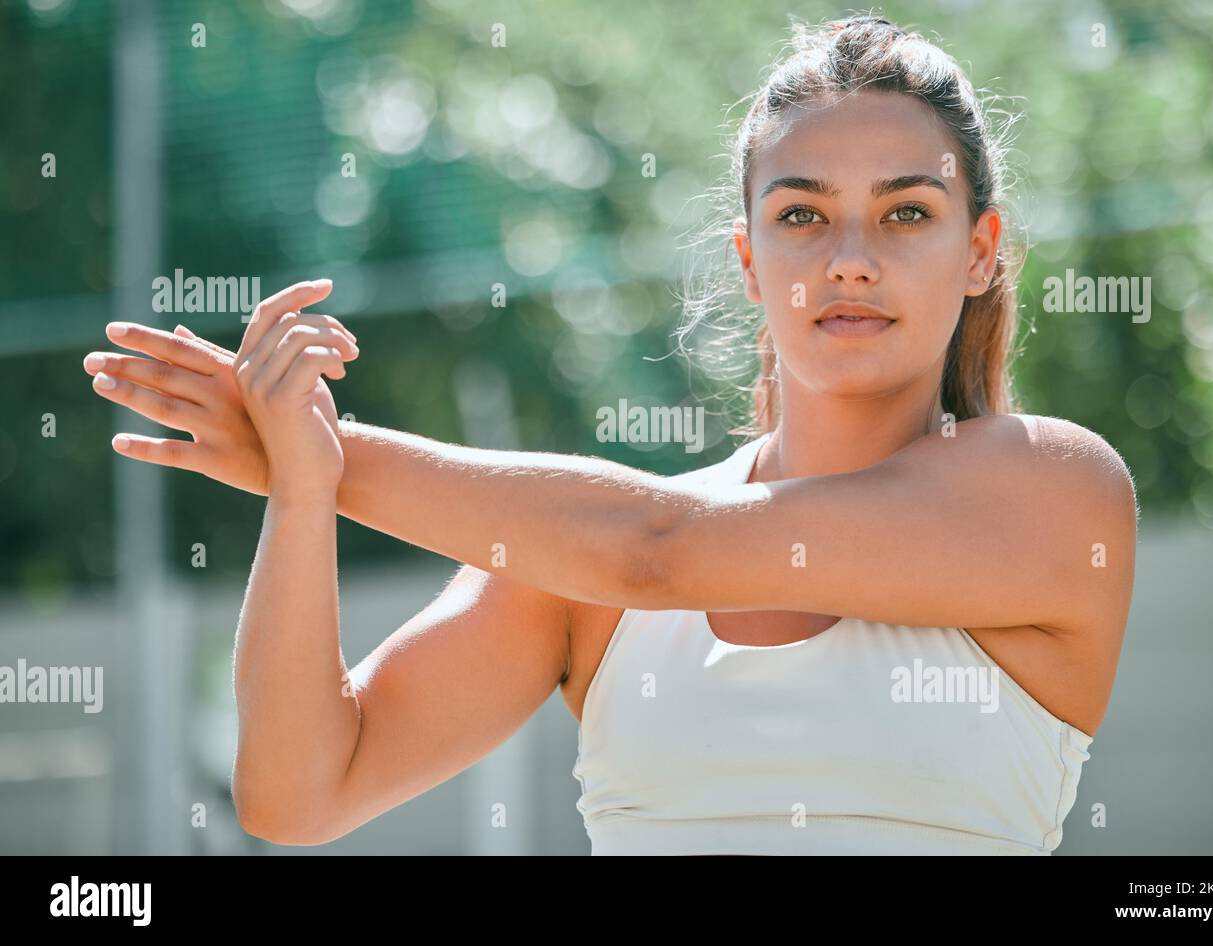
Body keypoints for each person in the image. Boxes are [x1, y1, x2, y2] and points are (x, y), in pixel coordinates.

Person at [82, 13, 1136, 854]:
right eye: (802, 214)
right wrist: (300, 488)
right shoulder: (569, 564)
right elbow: (299, 793)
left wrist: (326, 449)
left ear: (982, 250)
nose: (849, 257)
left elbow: (656, 550)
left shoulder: (1055, 492)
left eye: (905, 211)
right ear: (746, 257)